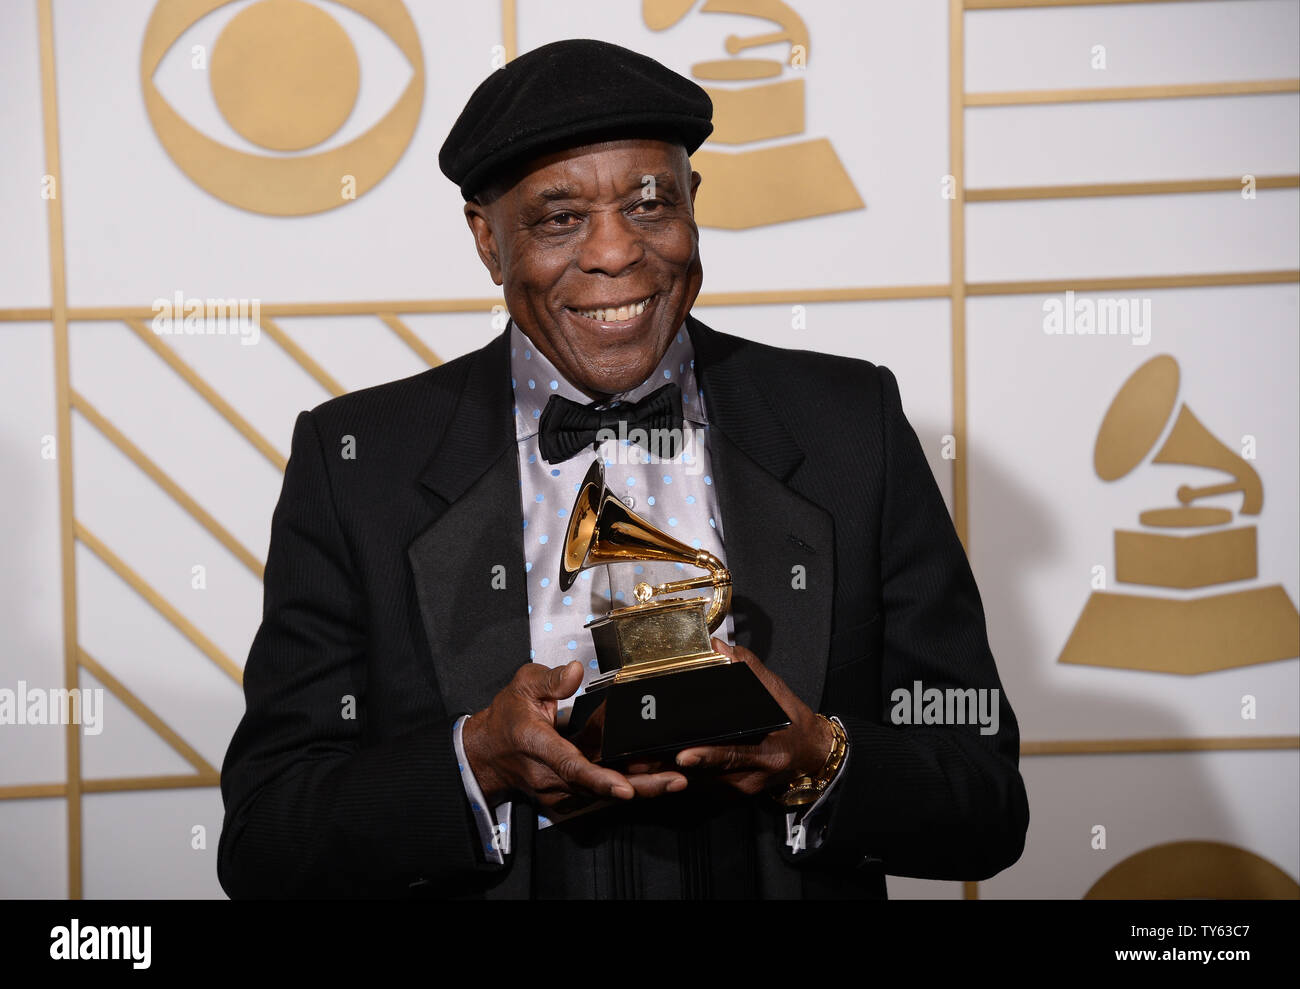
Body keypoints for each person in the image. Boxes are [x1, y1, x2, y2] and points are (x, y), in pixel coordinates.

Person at [217, 38, 1029, 899]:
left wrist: (817, 755)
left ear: (692, 205)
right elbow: (267, 836)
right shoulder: (357, 461)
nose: (613, 254)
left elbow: (987, 803)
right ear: (488, 242)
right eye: (559, 218)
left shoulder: (849, 424)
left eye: (649, 205)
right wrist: (477, 762)